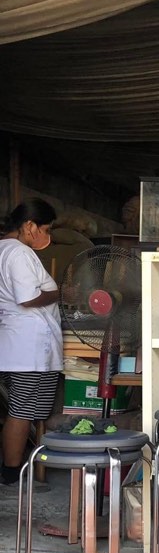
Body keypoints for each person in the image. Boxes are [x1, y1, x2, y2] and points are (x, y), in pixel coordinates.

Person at [0, 199, 63, 486]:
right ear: (29, 226)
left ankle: (25, 466)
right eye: (45, 229)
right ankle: (12, 472)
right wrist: (58, 293)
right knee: (21, 412)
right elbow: (27, 298)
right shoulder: (18, 252)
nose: (46, 236)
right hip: (28, 345)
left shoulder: (5, 249)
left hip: (22, 343)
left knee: (26, 411)